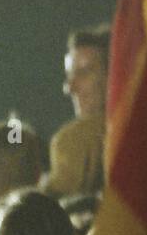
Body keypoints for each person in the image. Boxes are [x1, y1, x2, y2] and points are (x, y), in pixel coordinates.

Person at [45, 25, 109, 197]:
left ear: (114, 75)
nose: (70, 88)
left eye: (83, 72)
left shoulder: (72, 140)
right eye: (69, 76)